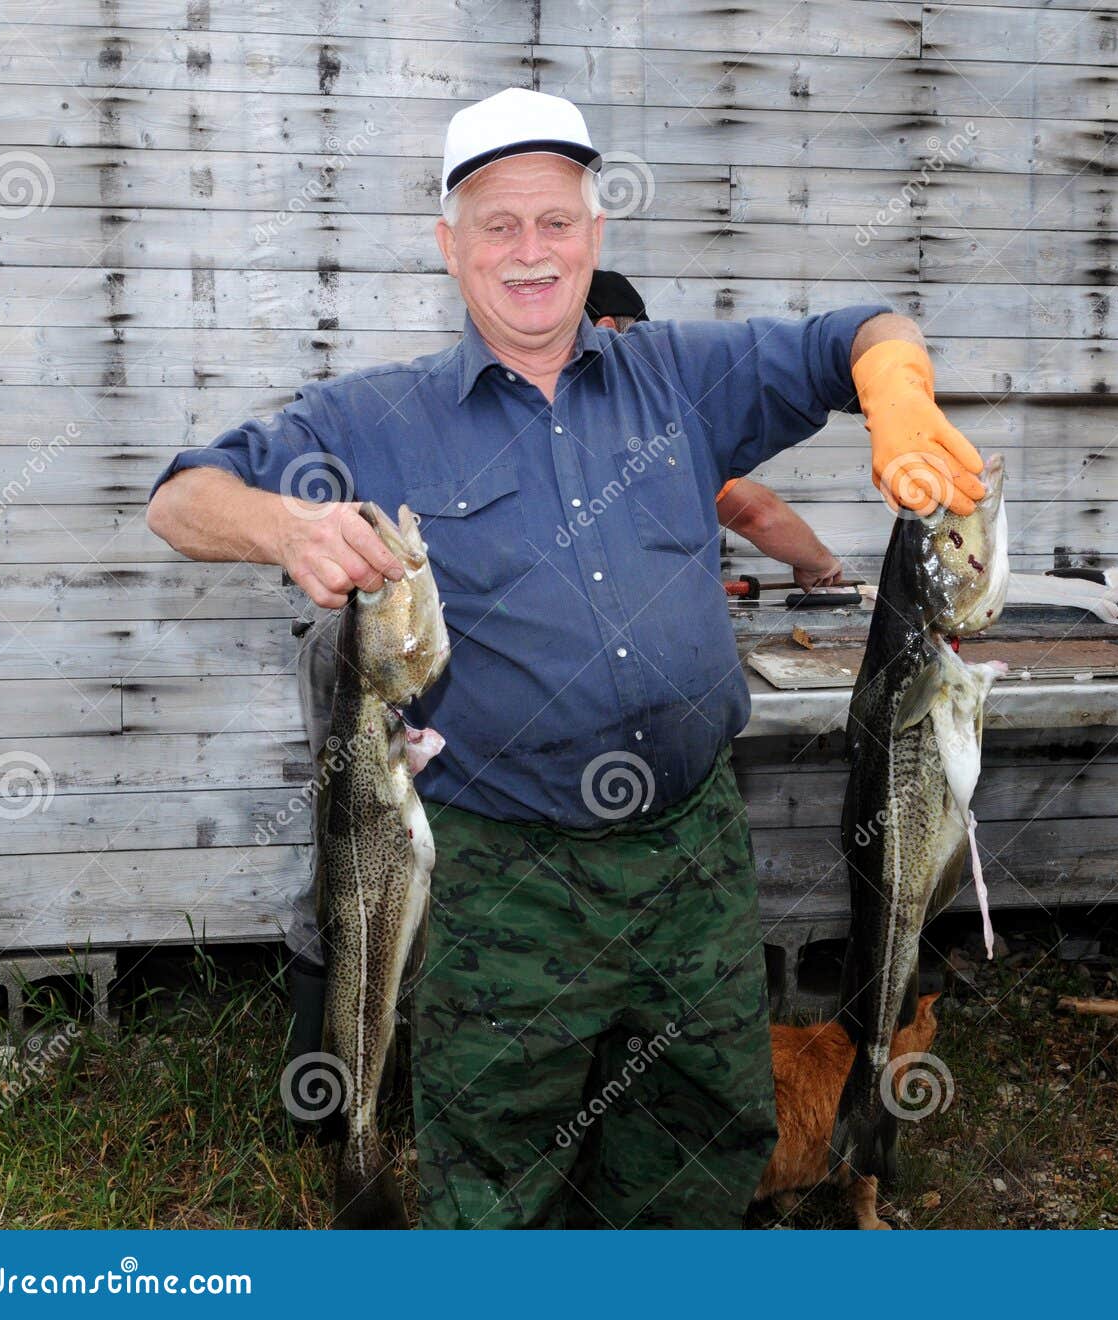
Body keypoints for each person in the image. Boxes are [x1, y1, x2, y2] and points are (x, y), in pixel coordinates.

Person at [145, 87, 984, 1228]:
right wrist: (288, 528)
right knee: (496, 1166)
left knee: (701, 1136)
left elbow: (860, 330)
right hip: (510, 881)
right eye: (498, 225)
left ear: (594, 235)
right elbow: (182, 499)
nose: (530, 252)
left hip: (692, 857)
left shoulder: (680, 378)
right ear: (452, 246)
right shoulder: (380, 418)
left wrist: (896, 389)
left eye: (555, 221)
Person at [586, 268, 845, 590]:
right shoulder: (644, 425)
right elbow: (758, 517)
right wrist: (821, 563)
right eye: (640, 339)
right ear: (607, 329)